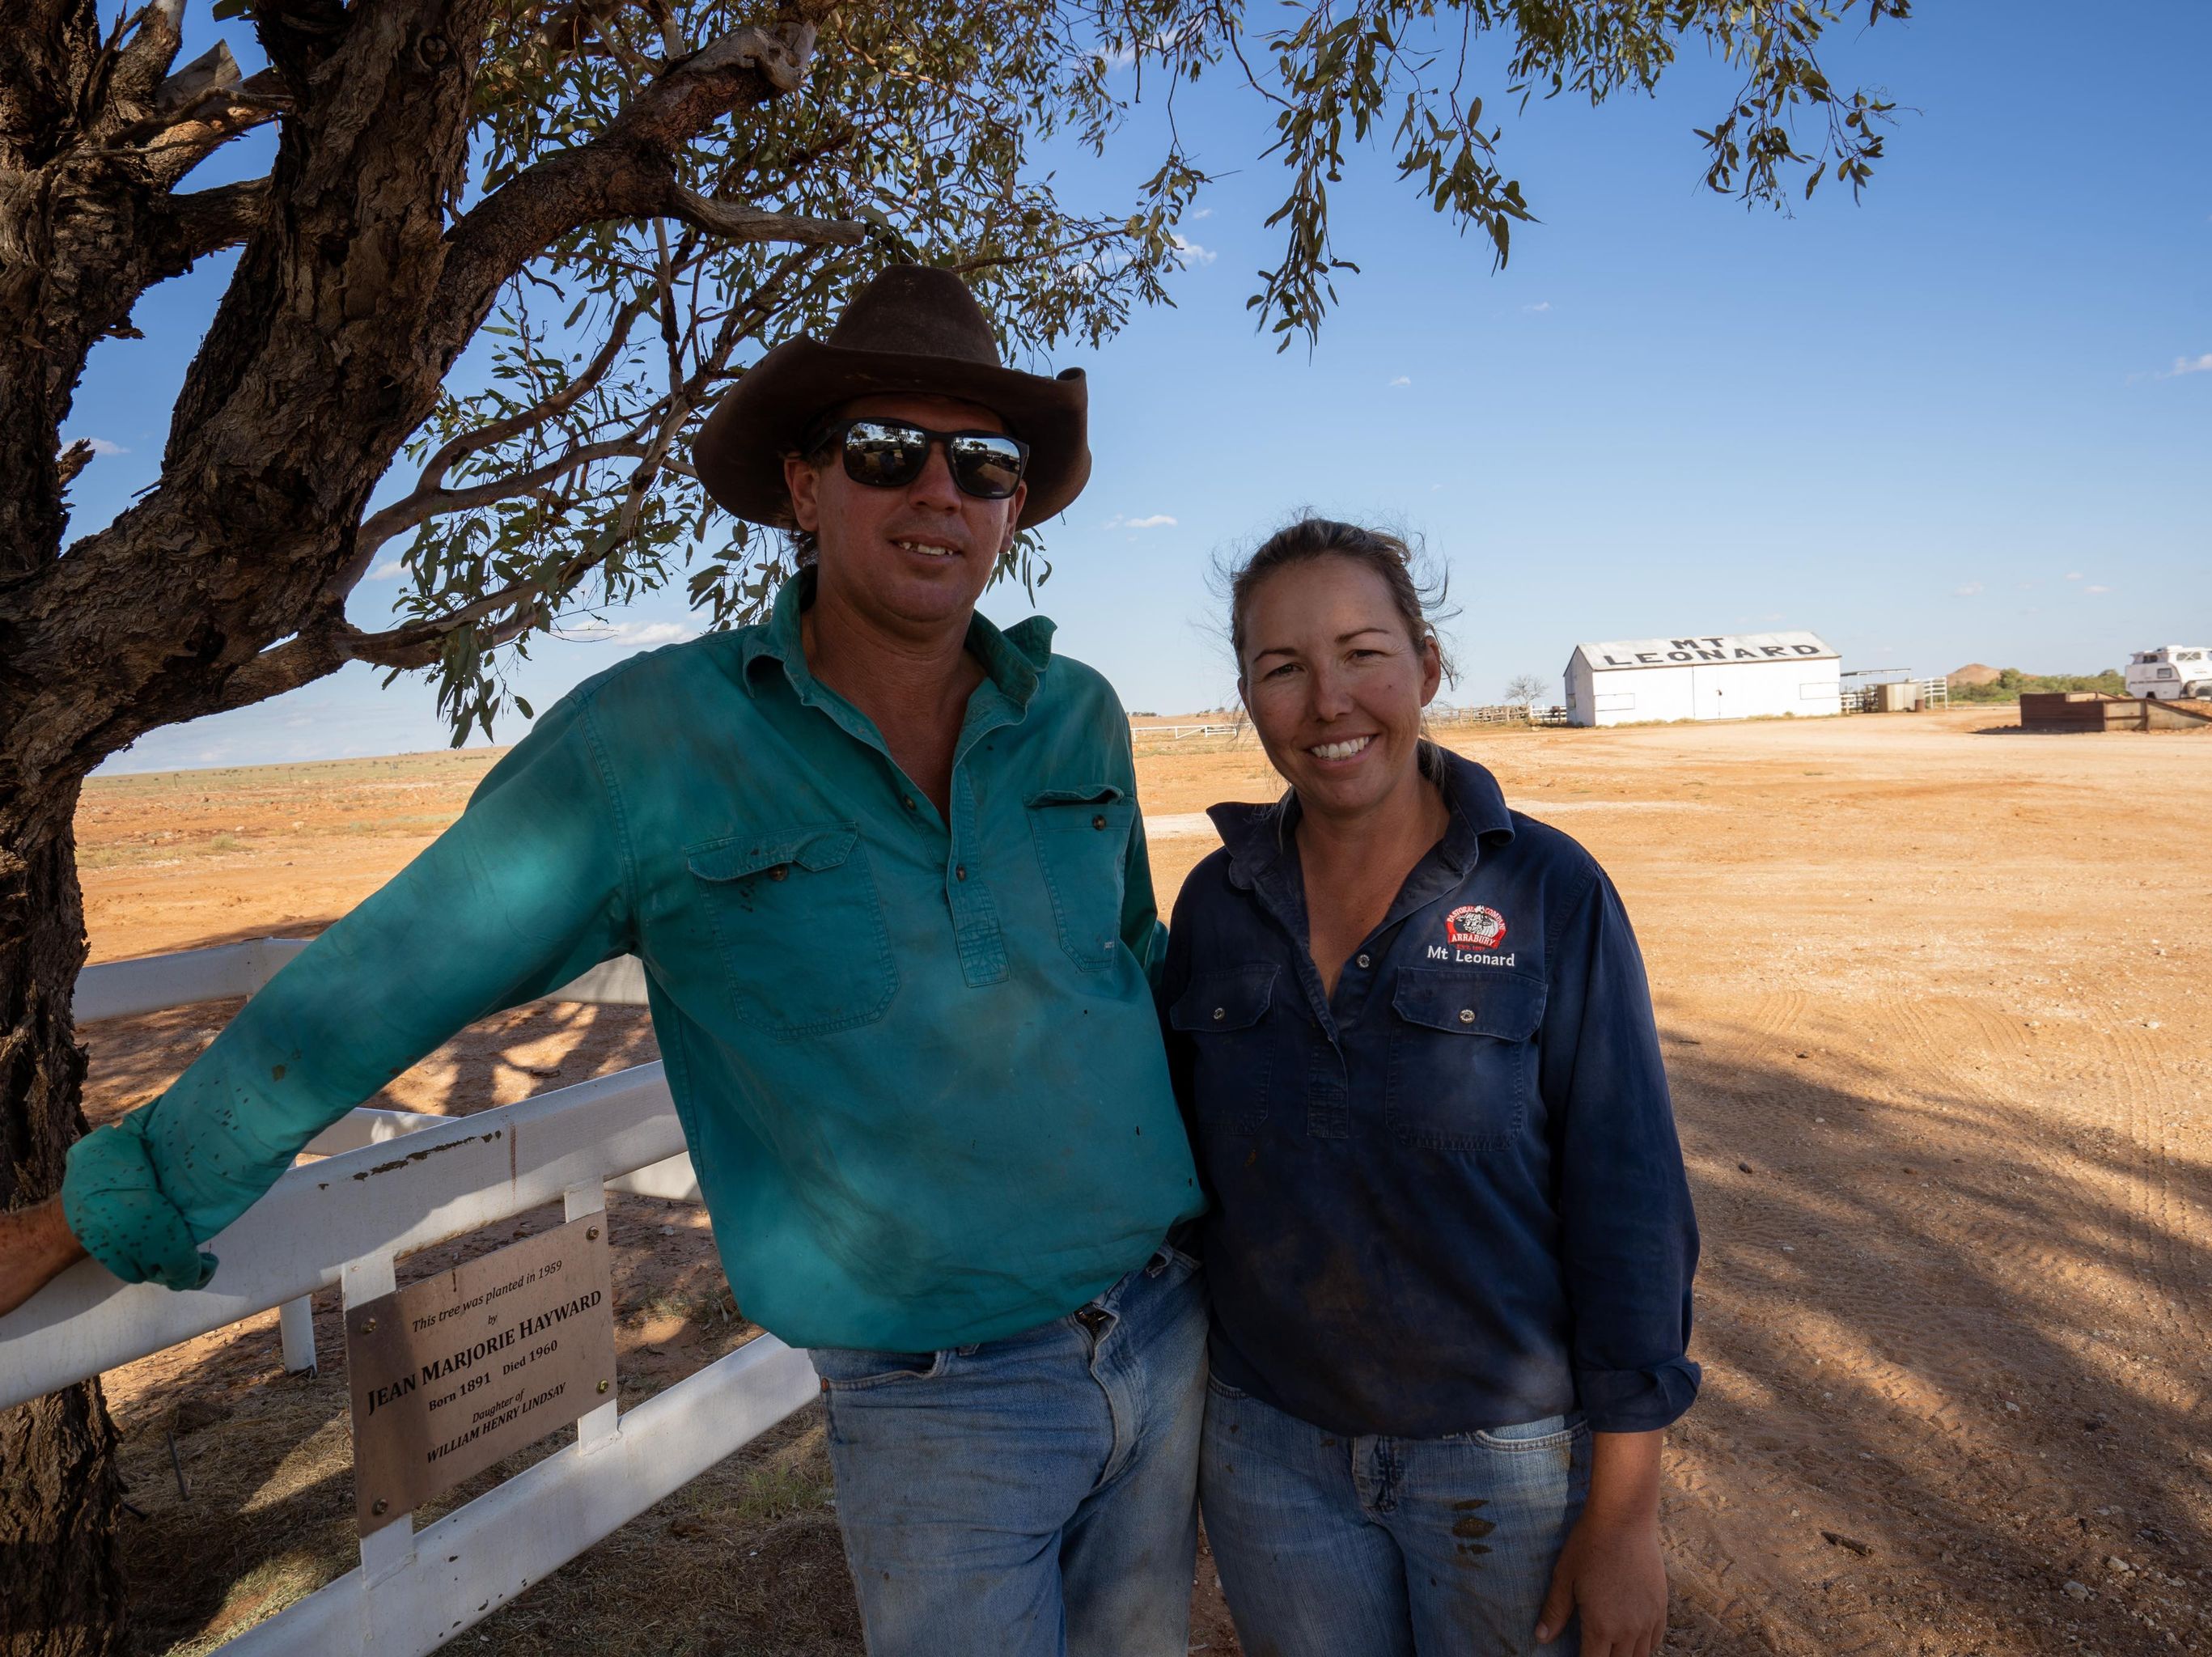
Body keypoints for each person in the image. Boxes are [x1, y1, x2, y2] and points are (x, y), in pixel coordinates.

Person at [0, 265, 1208, 1655]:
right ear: (805, 487)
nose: (940, 490)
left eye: (982, 463)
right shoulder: (650, 747)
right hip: (941, 1398)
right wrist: (107, 1203)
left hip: (1165, 1323)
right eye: (888, 450)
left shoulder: (1076, 718)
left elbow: (1134, 975)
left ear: (1011, 505)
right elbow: (380, 981)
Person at [1160, 519, 1700, 1657]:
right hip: (1268, 1456)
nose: (1328, 702)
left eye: (1363, 654)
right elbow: (1179, 1179)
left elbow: (1631, 1204)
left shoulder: (1548, 889)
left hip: (1504, 1465)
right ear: (1248, 696)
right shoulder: (1215, 904)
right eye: (1282, 668)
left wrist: (1622, 1515)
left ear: (1427, 667)